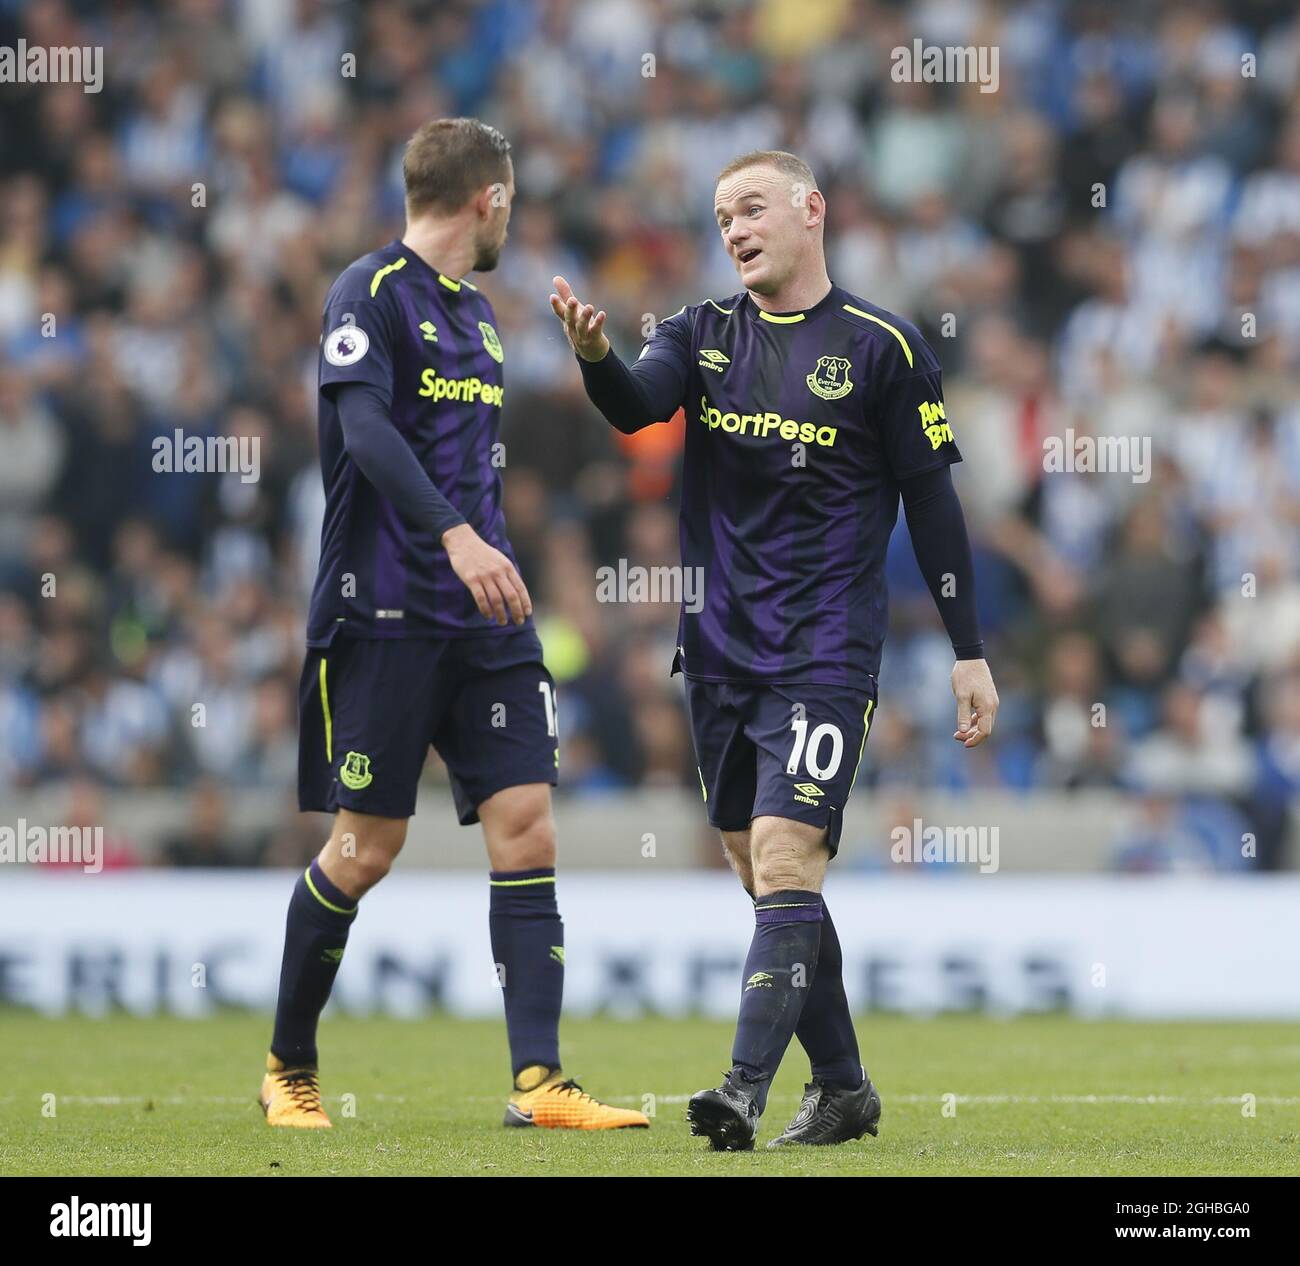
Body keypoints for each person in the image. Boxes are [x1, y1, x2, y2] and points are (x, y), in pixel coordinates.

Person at [552, 149, 998, 1149]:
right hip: (716, 651)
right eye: (720, 216)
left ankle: (742, 1089)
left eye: (751, 207)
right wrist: (593, 357)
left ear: (811, 211)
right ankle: (841, 1087)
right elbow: (635, 406)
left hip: (826, 652)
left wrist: (967, 650)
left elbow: (932, 502)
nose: (734, 228)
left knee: (791, 858)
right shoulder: (699, 335)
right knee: (762, 873)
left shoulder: (882, 345)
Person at [261, 117, 648, 1132]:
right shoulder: (368, 292)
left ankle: (539, 1084)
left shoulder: (478, 316)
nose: (510, 216)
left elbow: (473, 466)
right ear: (488, 198)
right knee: (364, 851)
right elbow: (365, 431)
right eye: (510, 201)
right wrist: (455, 540)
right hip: (384, 613)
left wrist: (490, 547)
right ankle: (287, 1068)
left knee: (526, 826)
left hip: (487, 619)